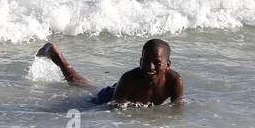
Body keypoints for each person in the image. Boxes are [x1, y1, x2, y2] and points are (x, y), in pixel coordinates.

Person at [36, 39, 184, 106]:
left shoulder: (175, 81)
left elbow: (177, 107)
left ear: (168, 65)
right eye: (145, 61)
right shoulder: (129, 79)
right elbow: (114, 106)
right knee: (80, 84)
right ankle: (56, 55)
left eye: (157, 62)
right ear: (140, 61)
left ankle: (56, 55)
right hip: (110, 96)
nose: (150, 66)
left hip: (124, 95)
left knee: (86, 84)